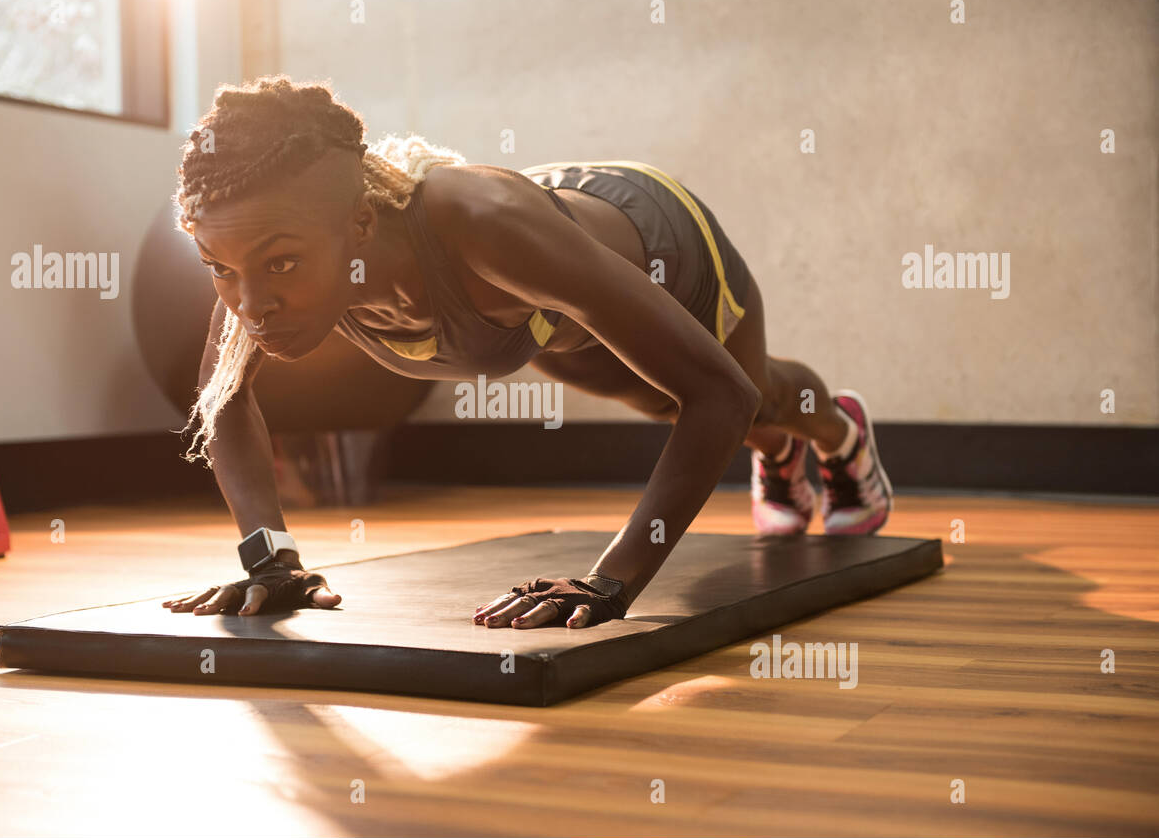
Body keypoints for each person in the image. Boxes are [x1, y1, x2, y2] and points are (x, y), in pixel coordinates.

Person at [160, 75, 892, 628]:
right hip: (544, 318)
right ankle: (779, 452)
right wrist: (270, 558)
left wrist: (611, 579)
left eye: (278, 264)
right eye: (218, 268)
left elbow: (719, 396)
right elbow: (221, 396)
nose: (249, 303)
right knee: (652, 396)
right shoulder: (266, 266)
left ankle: (838, 434)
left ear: (359, 225)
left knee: (746, 396)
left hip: (665, 244)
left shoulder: (482, 227)